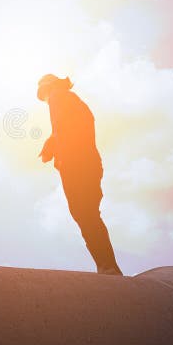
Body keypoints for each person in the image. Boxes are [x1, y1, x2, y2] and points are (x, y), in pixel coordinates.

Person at [37, 74, 123, 276]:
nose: (46, 100)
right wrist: (51, 143)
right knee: (86, 214)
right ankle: (107, 266)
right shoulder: (71, 101)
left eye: (44, 94)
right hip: (84, 164)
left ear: (49, 88)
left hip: (78, 164)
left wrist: (53, 146)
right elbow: (66, 127)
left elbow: (66, 129)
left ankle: (107, 266)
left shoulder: (59, 97)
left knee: (84, 214)